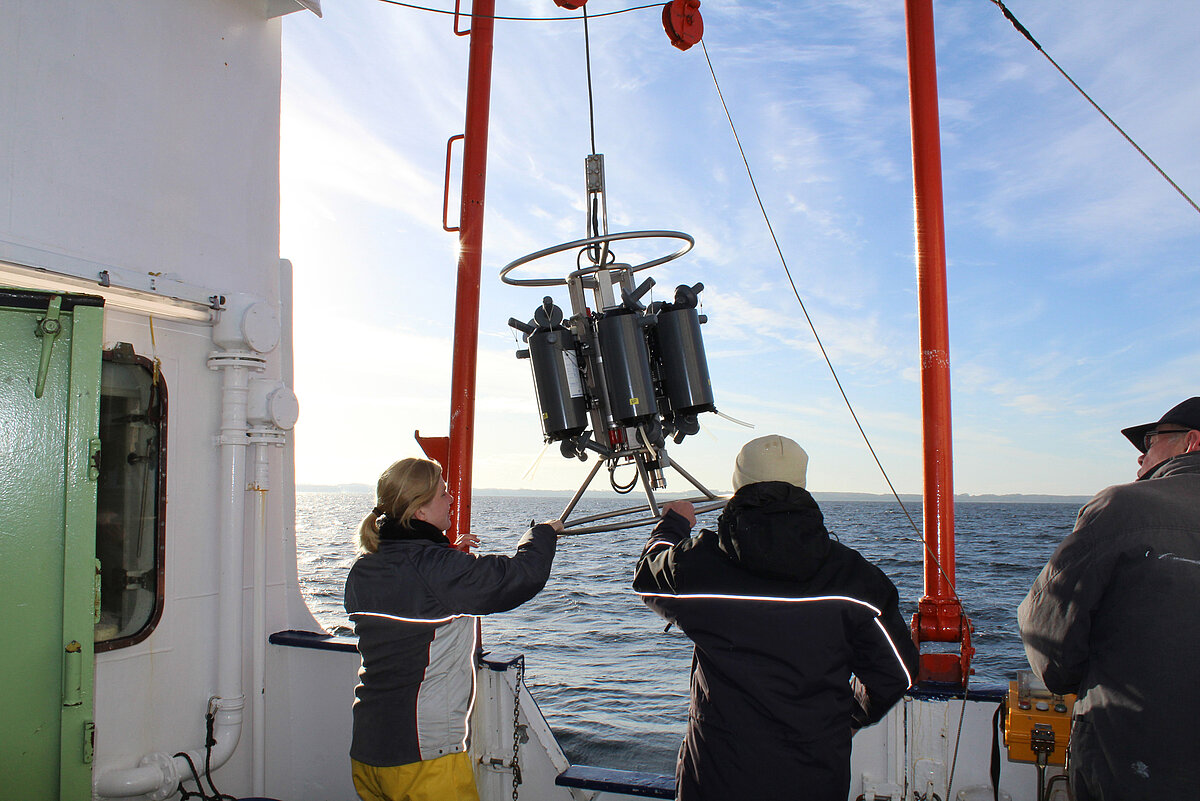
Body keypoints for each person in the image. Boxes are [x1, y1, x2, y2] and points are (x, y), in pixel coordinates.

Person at [633, 434, 919, 801]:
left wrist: (672, 526)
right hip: (813, 780)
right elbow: (898, 674)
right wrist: (852, 717)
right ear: (800, 484)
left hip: (718, 778)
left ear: (739, 485)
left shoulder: (700, 567)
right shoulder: (856, 583)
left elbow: (646, 576)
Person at [344, 457, 561, 801]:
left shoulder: (363, 567)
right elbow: (520, 577)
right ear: (419, 513)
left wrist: (445, 555)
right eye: (443, 494)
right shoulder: (437, 569)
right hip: (423, 758)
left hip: (369, 752)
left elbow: (412, 586)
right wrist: (540, 535)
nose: (452, 500)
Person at [1018, 397, 1200, 800]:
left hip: (1134, 759)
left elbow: (1046, 631)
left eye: (1151, 441)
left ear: (1191, 442)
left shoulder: (1125, 507)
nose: (1140, 457)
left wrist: (1068, 678)